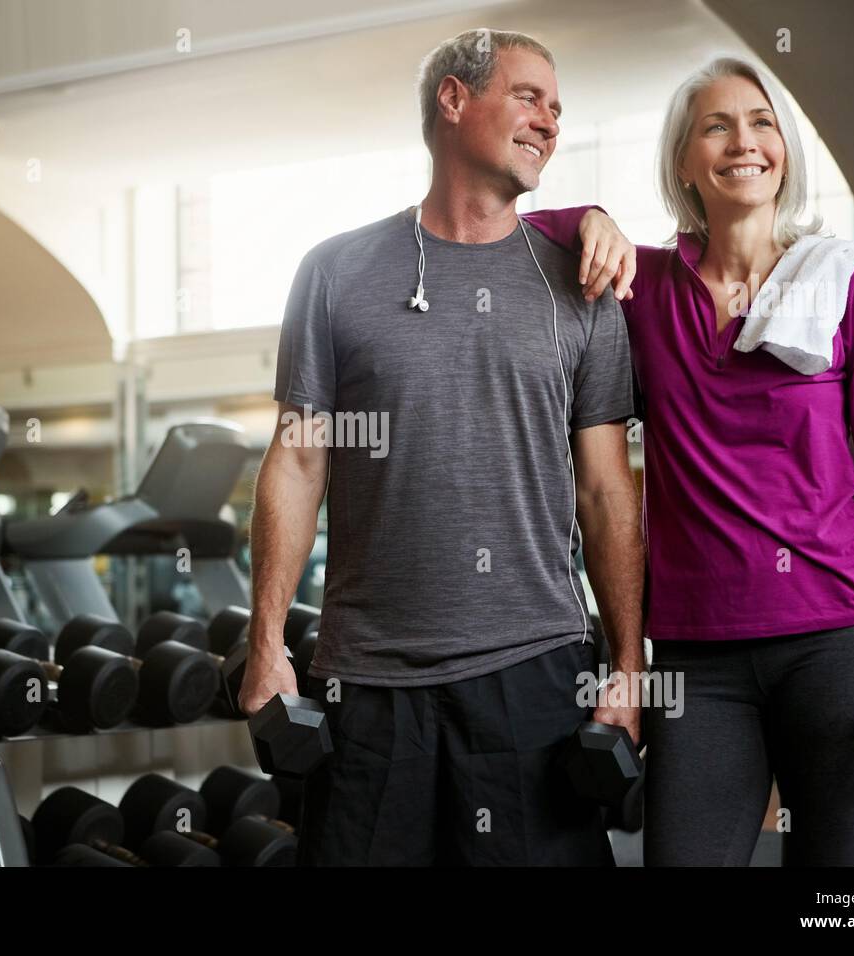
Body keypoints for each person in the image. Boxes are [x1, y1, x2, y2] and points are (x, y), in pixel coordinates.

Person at [524, 57, 854, 866]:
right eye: (715, 126)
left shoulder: (849, 284)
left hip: (837, 641)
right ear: (684, 160)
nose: (742, 141)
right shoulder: (643, 290)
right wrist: (592, 217)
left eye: (760, 123)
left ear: (784, 149)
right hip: (696, 657)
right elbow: (520, 228)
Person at [238, 29, 645, 866]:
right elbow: (298, 460)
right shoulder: (335, 272)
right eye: (529, 97)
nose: (549, 122)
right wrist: (266, 643)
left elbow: (606, 493)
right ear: (453, 101)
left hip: (534, 675)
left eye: (559, 109)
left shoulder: (582, 288)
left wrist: (632, 662)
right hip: (367, 682)